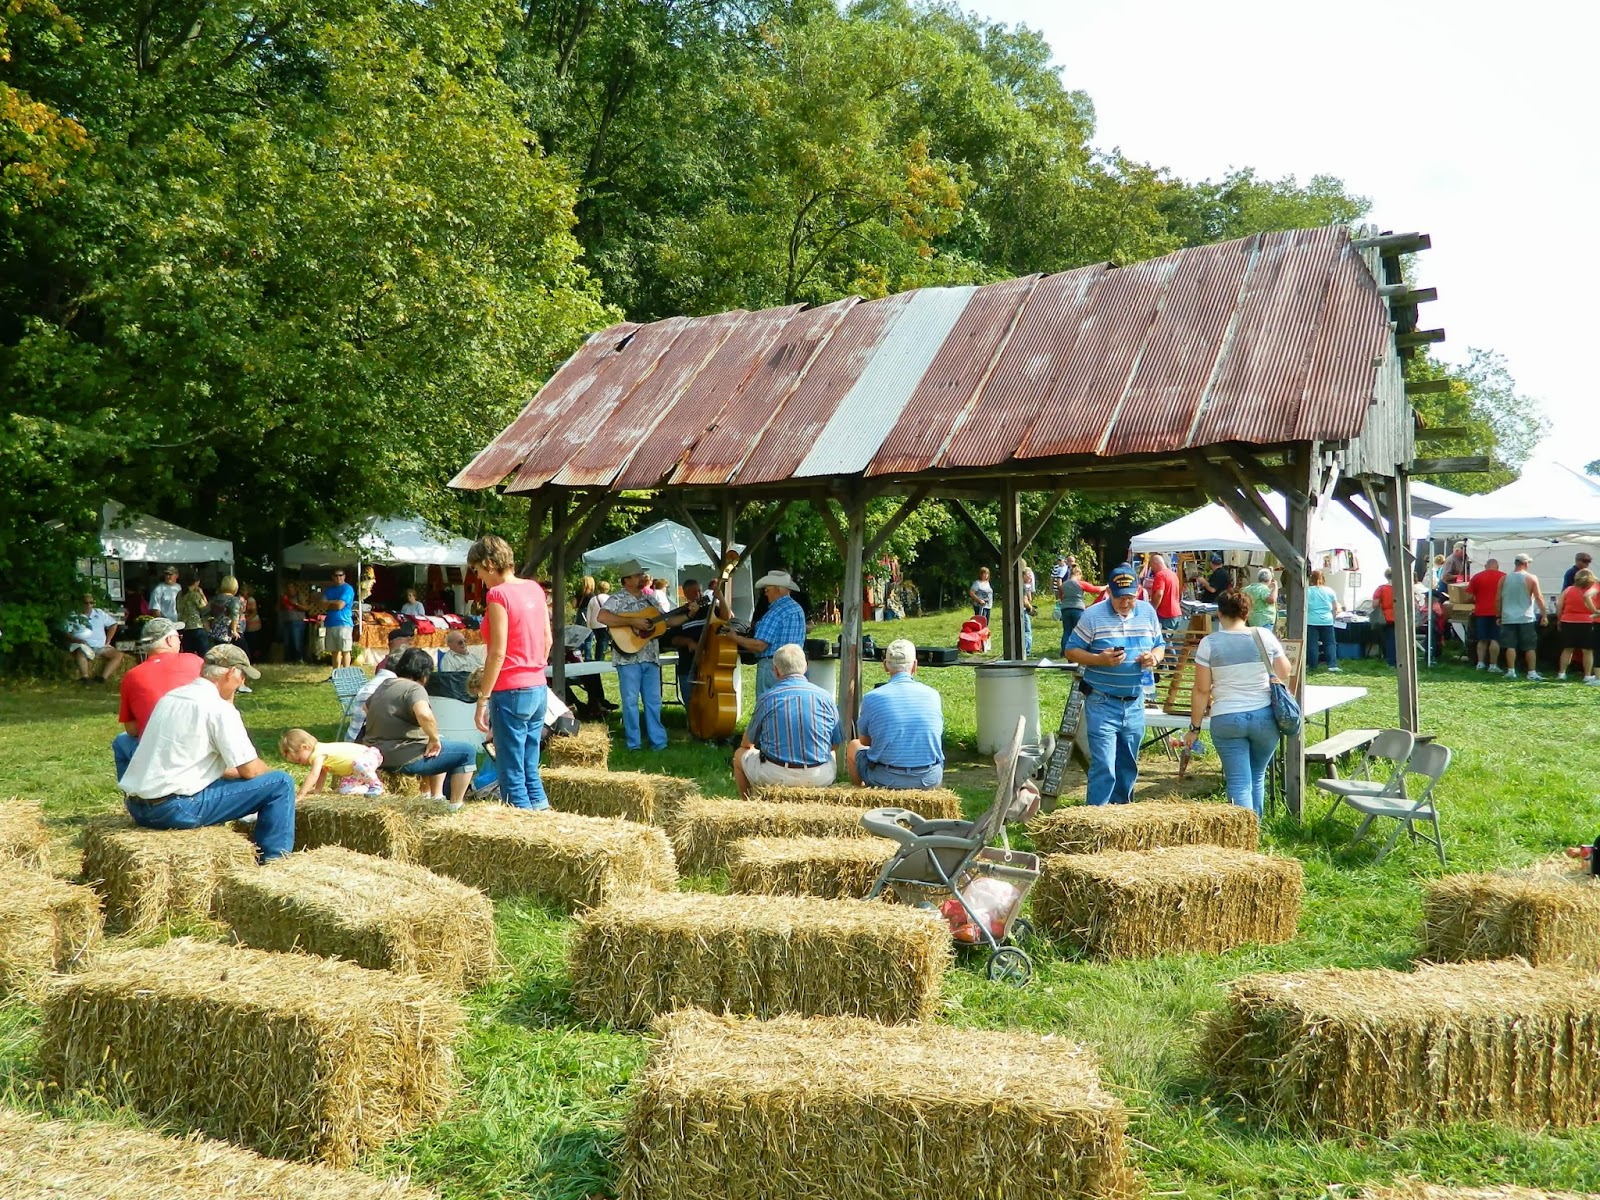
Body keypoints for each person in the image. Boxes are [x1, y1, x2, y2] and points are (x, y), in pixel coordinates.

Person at [118, 644, 296, 862]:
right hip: (174, 809)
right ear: (231, 672)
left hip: (139, 808)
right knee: (281, 783)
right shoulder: (219, 709)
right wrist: (270, 773)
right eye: (242, 676)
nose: (243, 683)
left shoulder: (170, 698)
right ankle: (275, 861)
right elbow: (250, 770)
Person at [1064, 564, 1164, 807]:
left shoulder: (1148, 612)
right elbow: (1071, 650)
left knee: (1128, 765)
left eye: (1130, 597)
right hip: (1102, 700)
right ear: (1109, 592)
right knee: (1104, 765)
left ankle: (1121, 813)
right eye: (1120, 598)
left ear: (1138, 591)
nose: (1126, 603)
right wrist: (1099, 659)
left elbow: (1159, 645)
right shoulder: (1092, 615)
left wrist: (1154, 657)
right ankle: (1097, 816)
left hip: (1135, 701)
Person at [1187, 590, 1293, 817]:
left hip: (1227, 716)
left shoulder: (1209, 643)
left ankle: (1244, 835)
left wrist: (1194, 728)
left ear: (1219, 613)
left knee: (1238, 781)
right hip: (1264, 715)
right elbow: (1285, 671)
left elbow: (1202, 689)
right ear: (1247, 613)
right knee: (1257, 776)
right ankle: (1256, 828)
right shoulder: (1264, 635)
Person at [468, 533, 553, 810]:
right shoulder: (534, 588)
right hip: (538, 686)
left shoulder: (498, 595)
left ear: (489, 564)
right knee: (529, 767)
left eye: (478, 570)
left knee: (511, 772)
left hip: (510, 690)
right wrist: (533, 669)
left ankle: (523, 828)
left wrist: (482, 699)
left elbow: (497, 652)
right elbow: (547, 640)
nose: (480, 578)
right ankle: (543, 817)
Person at [598, 559, 695, 751]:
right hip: (628, 658)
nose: (642, 578)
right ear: (626, 579)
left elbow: (667, 621)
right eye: (637, 575)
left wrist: (688, 614)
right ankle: (633, 744)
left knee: (653, 701)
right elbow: (602, 617)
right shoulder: (617, 599)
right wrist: (632, 621)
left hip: (650, 657)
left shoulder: (650, 599)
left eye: (642, 575)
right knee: (630, 702)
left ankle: (659, 743)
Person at [363, 648, 475, 809]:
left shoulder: (385, 685)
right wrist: (434, 738)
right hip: (402, 758)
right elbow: (424, 714)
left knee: (436, 746)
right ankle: (455, 805)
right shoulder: (415, 688)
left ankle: (428, 795)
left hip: (374, 755)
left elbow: (366, 708)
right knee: (467, 752)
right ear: (424, 675)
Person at [733, 644, 843, 798]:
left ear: (776, 671)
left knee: (739, 754)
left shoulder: (766, 698)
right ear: (806, 666)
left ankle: (747, 803)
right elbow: (836, 743)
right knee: (831, 753)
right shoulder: (826, 697)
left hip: (775, 775)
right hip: (819, 775)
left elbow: (747, 743)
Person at [846, 638, 944, 789]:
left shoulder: (872, 697)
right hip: (928, 778)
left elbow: (864, 741)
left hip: (885, 778)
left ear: (885, 665)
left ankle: (858, 791)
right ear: (915, 666)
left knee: (854, 745)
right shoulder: (933, 695)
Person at [113, 617, 202, 779]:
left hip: (157, 756)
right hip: (198, 747)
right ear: (169, 640)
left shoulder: (132, 676)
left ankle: (134, 790)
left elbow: (132, 729)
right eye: (178, 636)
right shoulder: (196, 662)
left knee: (121, 741)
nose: (180, 640)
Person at [732, 569, 808, 698]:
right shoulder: (797, 609)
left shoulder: (776, 612)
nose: (765, 593)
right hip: (795, 665)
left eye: (767, 589)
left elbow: (760, 645)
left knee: (768, 703)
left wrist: (735, 638)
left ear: (777, 590)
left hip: (773, 665)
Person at [279, 728, 384, 798]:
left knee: (359, 764)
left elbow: (314, 775)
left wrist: (301, 794)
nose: (301, 764)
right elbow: (322, 774)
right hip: (355, 771)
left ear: (304, 747)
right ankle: (367, 788)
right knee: (344, 790)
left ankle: (376, 785)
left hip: (369, 756)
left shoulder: (318, 753)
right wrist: (317, 790)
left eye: (299, 759)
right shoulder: (318, 755)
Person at [1498, 554, 1548, 680]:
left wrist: (1498, 615)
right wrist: (1544, 614)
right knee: (1530, 646)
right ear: (1525, 564)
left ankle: (1511, 671)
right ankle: (1531, 672)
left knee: (1510, 646)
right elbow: (1539, 597)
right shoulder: (1531, 578)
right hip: (1526, 617)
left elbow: (1498, 598)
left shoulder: (1504, 578)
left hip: (1508, 616)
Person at [65, 595, 123, 683]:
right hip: (83, 644)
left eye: (91, 603)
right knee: (81, 652)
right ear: (80, 603)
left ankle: (103, 678)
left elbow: (113, 624)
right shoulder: (73, 615)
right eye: (86, 603)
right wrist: (77, 640)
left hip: (100, 646)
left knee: (118, 655)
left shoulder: (99, 613)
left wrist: (108, 641)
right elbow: (66, 632)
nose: (89, 605)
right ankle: (85, 677)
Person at [1556, 568, 1599, 683]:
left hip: (1568, 622)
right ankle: (1587, 675)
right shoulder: (1593, 591)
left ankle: (1562, 673)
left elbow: (1559, 606)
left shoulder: (1568, 590)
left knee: (1567, 649)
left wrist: (1559, 620)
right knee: (1587, 650)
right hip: (1588, 622)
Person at [1465, 557, 1506, 672]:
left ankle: (1480, 663)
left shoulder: (1477, 577)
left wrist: (1477, 600)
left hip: (1480, 612)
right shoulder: (1504, 577)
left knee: (1482, 639)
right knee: (1495, 639)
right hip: (1497, 612)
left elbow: (1469, 597)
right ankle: (1493, 665)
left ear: (1485, 566)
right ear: (1497, 567)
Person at [1146, 552, 1184, 655]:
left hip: (1166, 614)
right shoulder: (1173, 574)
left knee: (1164, 642)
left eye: (1151, 565)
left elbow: (1159, 594)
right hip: (1176, 613)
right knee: (1167, 640)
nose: (1151, 568)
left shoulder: (1160, 575)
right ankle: (1165, 664)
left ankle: (1173, 663)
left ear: (1155, 563)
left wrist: (1152, 609)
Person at [1305, 569, 1341, 672]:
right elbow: (1335, 607)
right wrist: (1334, 617)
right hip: (1327, 620)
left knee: (1312, 644)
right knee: (1330, 643)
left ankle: (1312, 665)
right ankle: (1332, 665)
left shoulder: (1307, 591)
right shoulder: (1329, 590)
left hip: (1311, 620)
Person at [322, 568, 356, 671]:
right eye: (336, 575)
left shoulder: (348, 589)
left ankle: (346, 674)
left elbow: (339, 605)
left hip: (344, 623)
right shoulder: (329, 589)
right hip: (330, 623)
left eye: (341, 575)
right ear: (332, 577)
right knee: (334, 651)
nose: (338, 577)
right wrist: (334, 603)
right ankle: (336, 674)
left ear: (344, 576)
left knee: (345, 650)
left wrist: (329, 603)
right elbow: (321, 604)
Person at [1057, 562, 1090, 656]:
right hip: (1078, 609)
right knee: (1078, 631)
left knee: (1067, 631)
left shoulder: (1063, 584)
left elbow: (1060, 597)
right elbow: (1096, 589)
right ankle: (1078, 650)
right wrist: (1106, 587)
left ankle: (1064, 651)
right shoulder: (1080, 583)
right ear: (1078, 574)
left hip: (1065, 609)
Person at [204, 576, 244, 647]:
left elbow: (204, 614)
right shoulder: (234, 600)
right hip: (227, 634)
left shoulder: (215, 599)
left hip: (214, 633)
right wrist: (234, 630)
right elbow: (234, 615)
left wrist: (208, 630)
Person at [1370, 570, 1398, 667]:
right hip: (1400, 615)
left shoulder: (1381, 589)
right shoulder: (1402, 588)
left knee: (1389, 639)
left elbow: (1375, 605)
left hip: (1386, 617)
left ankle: (1391, 661)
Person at [279, 582, 310, 664]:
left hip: (297, 622)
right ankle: (289, 659)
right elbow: (277, 609)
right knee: (287, 642)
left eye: (291, 587)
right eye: (288, 587)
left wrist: (295, 604)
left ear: (295, 588)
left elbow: (306, 608)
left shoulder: (299, 596)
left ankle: (299, 659)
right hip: (286, 622)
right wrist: (282, 601)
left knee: (297, 642)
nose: (289, 589)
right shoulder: (284, 597)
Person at [177, 578, 209, 655]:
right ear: (196, 582)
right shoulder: (194, 595)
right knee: (203, 655)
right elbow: (206, 608)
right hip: (196, 627)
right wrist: (202, 594)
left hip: (185, 628)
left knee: (189, 655)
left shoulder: (180, 594)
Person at [585, 580, 612, 661]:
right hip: (605, 624)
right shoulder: (609, 599)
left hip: (594, 624)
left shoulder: (593, 599)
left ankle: (598, 657)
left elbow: (588, 613)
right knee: (603, 642)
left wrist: (588, 626)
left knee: (599, 641)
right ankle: (599, 658)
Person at [238, 582, 263, 660]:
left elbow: (254, 612)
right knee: (250, 642)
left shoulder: (251, 600)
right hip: (248, 625)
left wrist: (246, 619)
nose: (242, 592)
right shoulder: (242, 600)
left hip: (253, 625)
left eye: (244, 590)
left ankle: (256, 658)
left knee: (254, 642)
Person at [1020, 560, 1036, 657]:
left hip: (1019, 610)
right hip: (1023, 610)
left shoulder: (1021, 585)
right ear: (1023, 575)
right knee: (1027, 630)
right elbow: (1024, 601)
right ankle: (1026, 650)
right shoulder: (1022, 586)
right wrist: (1031, 609)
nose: (1030, 577)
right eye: (1028, 575)